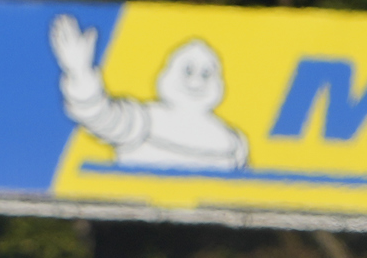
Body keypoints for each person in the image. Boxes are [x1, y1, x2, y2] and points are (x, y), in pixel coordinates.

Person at [48, 13, 247, 171]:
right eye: (188, 70)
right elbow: (98, 115)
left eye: (206, 74)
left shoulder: (233, 142)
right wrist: (80, 73)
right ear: (170, 73)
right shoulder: (143, 119)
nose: (196, 82)